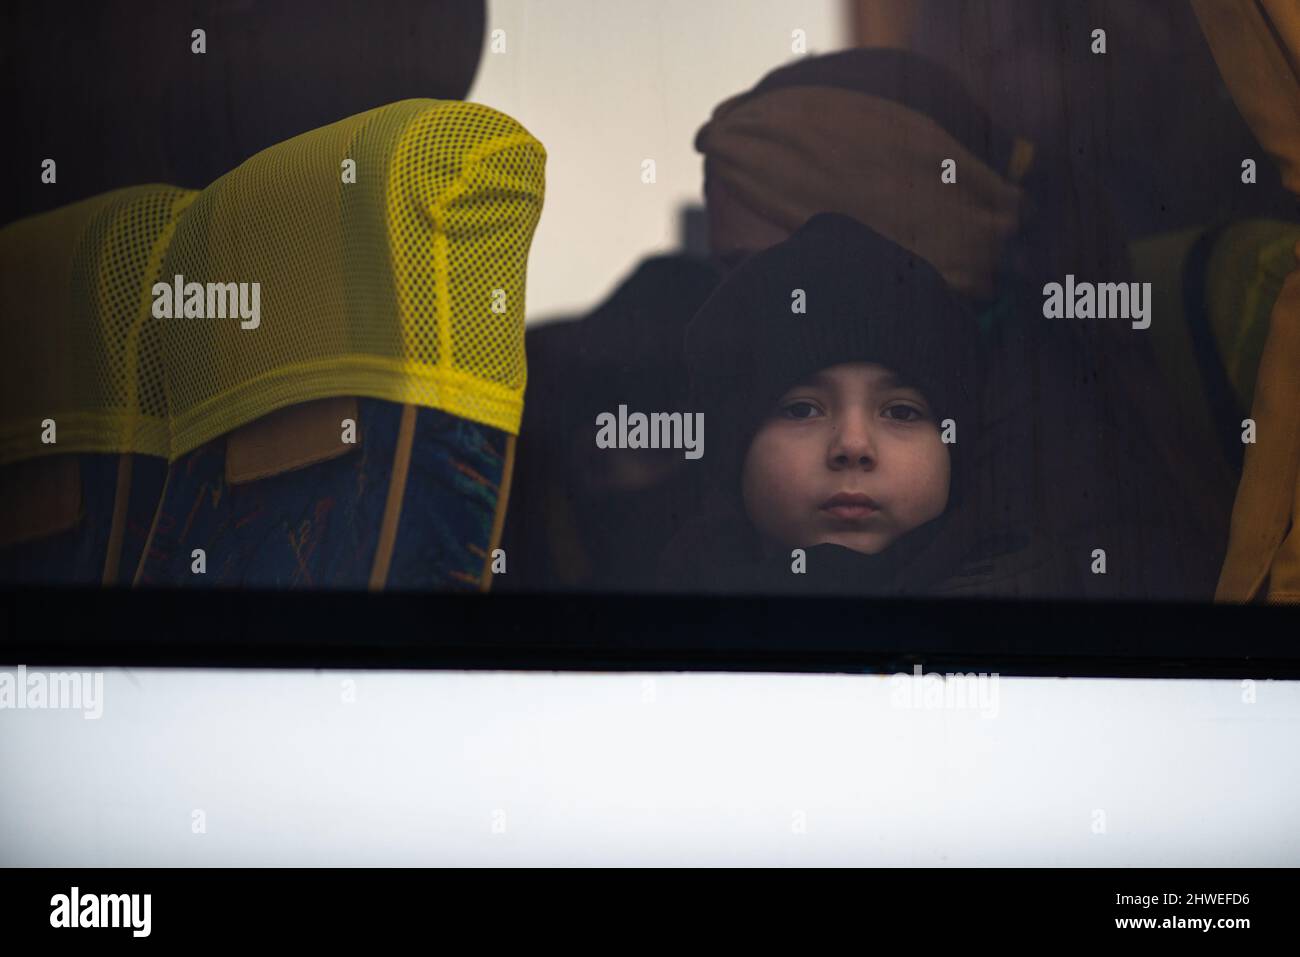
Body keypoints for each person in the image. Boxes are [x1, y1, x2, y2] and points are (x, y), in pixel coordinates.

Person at [660, 213, 1013, 596]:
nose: (853, 446)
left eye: (901, 412)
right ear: (732, 453)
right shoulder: (671, 625)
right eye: (802, 410)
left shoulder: (1028, 617)